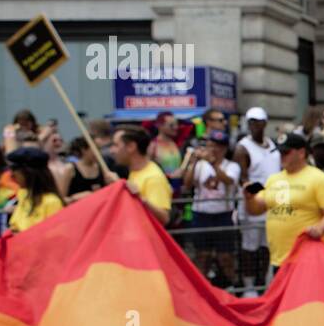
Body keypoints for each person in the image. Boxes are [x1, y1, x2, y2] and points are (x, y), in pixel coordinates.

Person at [242, 132, 324, 280]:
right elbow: (256, 210)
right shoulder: (273, 179)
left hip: (307, 260)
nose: (281, 157)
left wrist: (320, 228)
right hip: (279, 259)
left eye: (286, 153)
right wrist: (249, 199)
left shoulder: (320, 179)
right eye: (279, 153)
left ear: (301, 153)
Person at [234, 107, 281, 296]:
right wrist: (257, 190)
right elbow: (243, 178)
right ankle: (249, 285)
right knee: (250, 247)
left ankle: (265, 281)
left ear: (265, 123)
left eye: (259, 122)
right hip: (252, 205)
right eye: (252, 122)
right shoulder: (242, 147)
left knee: (267, 247)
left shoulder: (273, 144)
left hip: (273, 205)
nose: (256, 126)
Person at [183, 129, 240, 287]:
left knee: (225, 256)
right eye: (211, 145)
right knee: (202, 255)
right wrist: (193, 161)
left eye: (219, 146)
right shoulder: (200, 165)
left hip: (222, 215)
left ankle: (234, 286)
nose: (214, 149)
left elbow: (229, 180)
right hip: (201, 215)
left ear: (225, 149)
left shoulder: (232, 166)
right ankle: (201, 288)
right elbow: (187, 185)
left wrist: (213, 162)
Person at [110, 126, 172, 226]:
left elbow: (164, 218)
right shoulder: (136, 171)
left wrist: (140, 198)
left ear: (131, 147)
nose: (112, 150)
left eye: (116, 145)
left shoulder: (153, 177)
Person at [5, 146, 65, 234]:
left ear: (29, 173)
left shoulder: (52, 202)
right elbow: (14, 224)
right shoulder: (23, 193)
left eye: (16, 171)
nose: (12, 176)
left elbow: (55, 236)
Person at [57, 137, 107, 202]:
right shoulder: (70, 169)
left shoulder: (102, 167)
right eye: (96, 149)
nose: (99, 153)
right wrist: (74, 198)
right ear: (84, 150)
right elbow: (60, 199)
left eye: (100, 149)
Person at [148, 112, 185, 177]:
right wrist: (168, 176)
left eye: (177, 124)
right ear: (159, 125)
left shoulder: (178, 143)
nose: (176, 127)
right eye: (171, 125)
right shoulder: (153, 146)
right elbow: (147, 170)